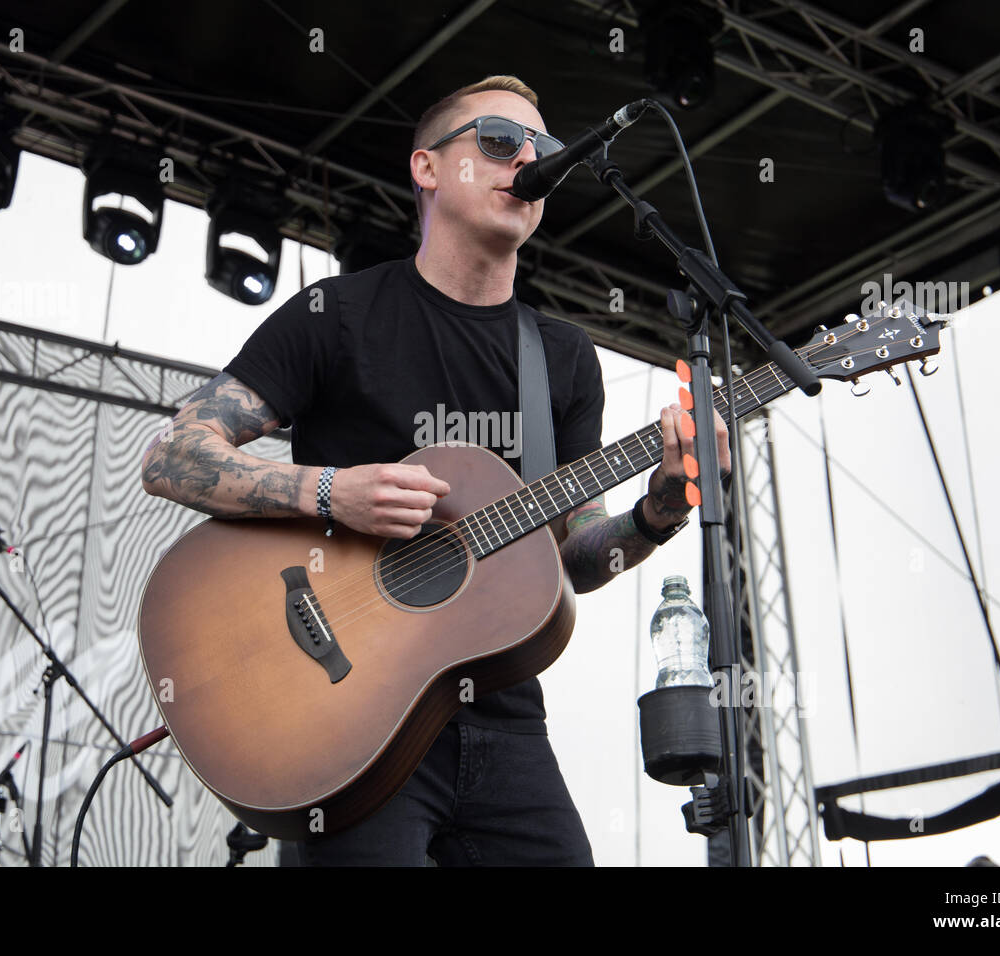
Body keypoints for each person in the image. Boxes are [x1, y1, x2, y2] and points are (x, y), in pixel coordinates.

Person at [140, 75, 730, 866]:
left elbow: (575, 554)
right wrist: (328, 491)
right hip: (348, 716)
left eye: (544, 151)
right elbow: (174, 457)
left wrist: (659, 509)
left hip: (506, 721)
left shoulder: (560, 359)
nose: (527, 161)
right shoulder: (339, 316)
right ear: (427, 168)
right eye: (496, 142)